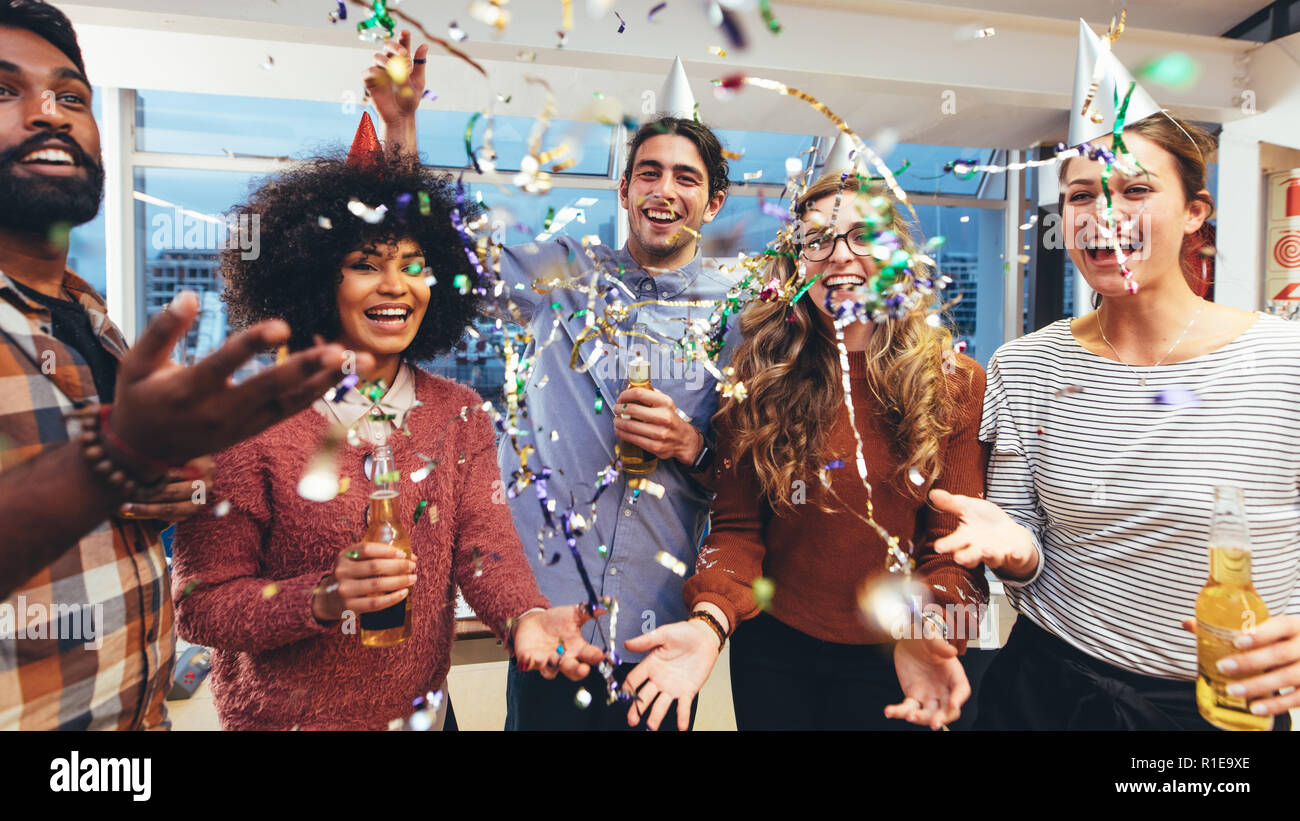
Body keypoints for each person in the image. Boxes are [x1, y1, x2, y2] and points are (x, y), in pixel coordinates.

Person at [170, 120, 605, 730]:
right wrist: (320, 599)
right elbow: (200, 606)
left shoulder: (457, 413)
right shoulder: (247, 424)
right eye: (366, 264)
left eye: (414, 264)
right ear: (315, 277)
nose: (397, 286)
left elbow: (486, 549)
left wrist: (525, 617)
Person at [0, 0, 363, 730]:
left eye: (72, 96)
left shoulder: (97, 328)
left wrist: (170, 482)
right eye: (4, 90)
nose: (50, 112)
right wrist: (115, 459)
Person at [366, 40, 743, 730]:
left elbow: (755, 481)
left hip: (659, 633)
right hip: (552, 620)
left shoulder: (739, 316)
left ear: (712, 202)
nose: (665, 190)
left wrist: (692, 443)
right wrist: (402, 129)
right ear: (623, 188)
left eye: (686, 179)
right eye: (649, 173)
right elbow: (448, 249)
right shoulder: (560, 273)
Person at [931, 114, 1300, 730]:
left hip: (1216, 708)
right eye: (1080, 195)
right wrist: (1016, 551)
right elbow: (1023, 541)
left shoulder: (1283, 363)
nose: (1103, 211)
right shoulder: (1025, 366)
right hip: (1044, 690)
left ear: (1194, 211)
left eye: (1135, 189)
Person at [619, 172, 990, 730]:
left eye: (863, 236)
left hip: (902, 655)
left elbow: (956, 552)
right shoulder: (760, 378)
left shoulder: (955, 382)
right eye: (818, 240)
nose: (840, 255)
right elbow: (737, 531)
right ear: (797, 264)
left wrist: (931, 631)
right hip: (776, 656)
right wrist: (708, 621)